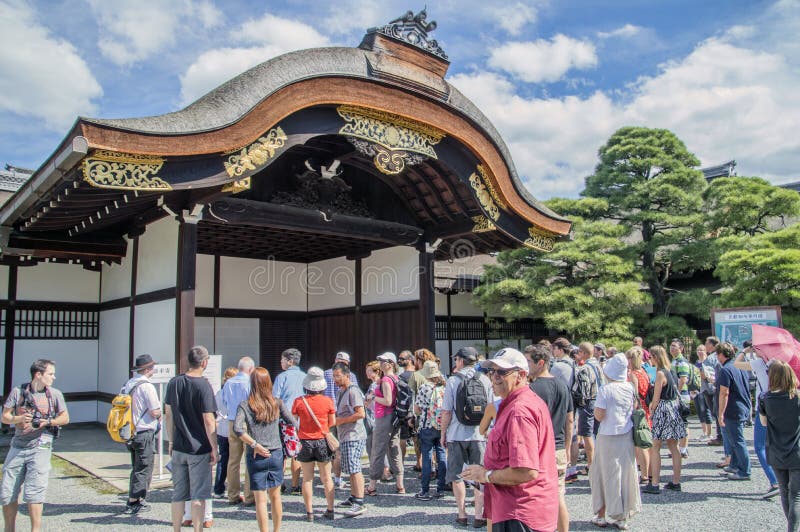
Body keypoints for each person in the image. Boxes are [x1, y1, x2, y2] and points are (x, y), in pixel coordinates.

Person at [461, 347, 558, 532]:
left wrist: (486, 475)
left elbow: (526, 471)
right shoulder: (517, 404)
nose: (494, 377)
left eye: (502, 372)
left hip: (519, 511)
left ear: (521, 375)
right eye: (492, 371)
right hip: (518, 509)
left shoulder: (519, 411)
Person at [1, 359, 69, 532]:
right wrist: (19, 419)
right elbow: (5, 417)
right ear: (38, 374)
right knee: (7, 490)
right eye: (51, 374)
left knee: (34, 492)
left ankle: (35, 530)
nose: (54, 377)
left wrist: (48, 422)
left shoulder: (54, 394)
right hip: (18, 444)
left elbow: (65, 418)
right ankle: (9, 529)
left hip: (41, 444)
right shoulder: (18, 392)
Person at [164, 346, 219, 532]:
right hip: (199, 447)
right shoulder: (203, 385)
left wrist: (171, 440)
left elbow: (168, 413)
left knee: (178, 494)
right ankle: (197, 529)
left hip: (179, 445)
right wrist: (214, 447)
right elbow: (209, 420)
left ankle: (176, 529)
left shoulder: (174, 382)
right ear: (204, 362)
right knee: (199, 495)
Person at [234, 367, 293, 532]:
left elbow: (238, 429)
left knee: (260, 500)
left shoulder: (245, 405)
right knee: (276, 497)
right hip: (276, 452)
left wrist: (255, 444)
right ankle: (277, 530)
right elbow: (292, 422)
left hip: (256, 454)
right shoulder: (277, 403)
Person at [440, 346, 492, 527]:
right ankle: (479, 516)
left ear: (461, 361)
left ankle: (462, 514)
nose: (455, 362)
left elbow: (446, 411)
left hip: (456, 434)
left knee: (457, 475)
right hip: (479, 434)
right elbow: (490, 409)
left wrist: (443, 433)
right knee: (480, 475)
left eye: (456, 359)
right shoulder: (485, 379)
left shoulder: (453, 381)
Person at [590, 353, 641, 530]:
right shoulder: (629, 387)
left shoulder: (605, 390)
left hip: (607, 435)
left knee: (603, 474)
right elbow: (634, 407)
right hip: (625, 434)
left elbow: (599, 415)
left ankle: (601, 514)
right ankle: (623, 516)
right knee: (625, 474)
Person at [525, 344, 574, 532]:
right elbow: (570, 419)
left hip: (539, 449)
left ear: (541, 363)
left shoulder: (532, 389)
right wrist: (567, 447)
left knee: (534, 495)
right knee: (558, 494)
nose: (526, 365)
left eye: (529, 361)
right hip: (559, 446)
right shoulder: (562, 385)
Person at [760, 360, 800, 531]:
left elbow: (763, 423)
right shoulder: (797, 397)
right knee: (796, 495)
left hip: (775, 449)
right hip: (796, 450)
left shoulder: (765, 398)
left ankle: (791, 526)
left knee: (784, 491)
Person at [292, 367, 336, 521]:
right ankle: (330, 509)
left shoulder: (299, 401)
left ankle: (309, 512)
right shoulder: (328, 401)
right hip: (322, 440)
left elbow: (293, 422)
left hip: (305, 441)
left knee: (307, 478)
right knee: (327, 478)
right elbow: (332, 422)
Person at [734, 347, 779, 498]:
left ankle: (774, 481)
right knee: (780, 445)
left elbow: (737, 364)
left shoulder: (760, 363)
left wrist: (744, 351)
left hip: (765, 406)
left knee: (760, 446)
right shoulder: (780, 362)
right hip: (781, 406)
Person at [122, 354, 162, 514]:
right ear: (147, 369)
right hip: (144, 430)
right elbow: (154, 411)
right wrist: (161, 414)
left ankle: (135, 497)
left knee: (136, 466)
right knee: (144, 466)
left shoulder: (128, 384)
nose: (153, 370)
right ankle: (135, 500)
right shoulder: (147, 386)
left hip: (130, 431)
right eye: (152, 367)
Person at [642, 345, 686, 494]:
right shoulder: (671, 370)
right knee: (674, 446)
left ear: (655, 357)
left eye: (651, 357)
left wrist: (651, 409)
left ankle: (654, 483)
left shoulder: (660, 373)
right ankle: (676, 481)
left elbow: (656, 397)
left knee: (655, 447)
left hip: (662, 409)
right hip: (673, 408)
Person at [332, 362, 368, 517]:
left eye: (338, 376)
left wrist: (339, 421)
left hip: (354, 434)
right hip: (345, 434)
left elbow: (361, 414)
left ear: (347, 375)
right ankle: (353, 496)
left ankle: (359, 501)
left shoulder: (353, 391)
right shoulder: (341, 391)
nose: (335, 379)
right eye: (334, 376)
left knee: (354, 468)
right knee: (349, 467)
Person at [366, 352, 405, 496]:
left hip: (384, 417)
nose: (381, 364)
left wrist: (373, 397)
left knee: (377, 449)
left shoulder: (386, 380)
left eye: (383, 361)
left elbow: (388, 401)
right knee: (394, 448)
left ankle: (372, 486)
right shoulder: (396, 378)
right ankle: (400, 485)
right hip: (394, 417)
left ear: (391, 364)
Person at [222, 356, 255, 506]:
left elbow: (224, 401)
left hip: (232, 421)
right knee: (249, 458)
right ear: (250, 369)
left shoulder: (229, 382)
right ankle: (249, 496)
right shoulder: (250, 382)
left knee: (233, 460)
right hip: (247, 422)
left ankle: (232, 495)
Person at [272, 348, 306, 495]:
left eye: (283, 360)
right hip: (301, 419)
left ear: (290, 361)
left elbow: (275, 399)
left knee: (281, 452)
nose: (281, 362)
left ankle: (279, 483)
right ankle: (295, 485)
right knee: (297, 452)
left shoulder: (281, 377)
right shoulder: (305, 377)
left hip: (284, 419)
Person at [717, 342, 752, 481]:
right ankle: (734, 465)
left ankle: (745, 471)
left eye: (717, 354)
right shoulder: (739, 366)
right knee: (733, 439)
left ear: (721, 354)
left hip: (733, 408)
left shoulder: (725, 370)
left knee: (737, 440)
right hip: (743, 405)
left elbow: (724, 393)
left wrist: (720, 413)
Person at [323, 352, 359, 489]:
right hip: (343, 415)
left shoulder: (326, 373)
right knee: (339, 448)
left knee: (331, 447)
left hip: (329, 414)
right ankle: (337, 478)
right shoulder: (351, 376)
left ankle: (332, 477)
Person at [413, 360, 447, 501]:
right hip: (441, 425)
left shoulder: (424, 387)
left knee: (426, 456)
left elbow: (417, 409)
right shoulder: (444, 386)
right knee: (441, 454)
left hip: (427, 425)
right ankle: (441, 488)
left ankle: (425, 490)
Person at [570, 342, 604, 475]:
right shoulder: (598, 364)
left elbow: (583, 390)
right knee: (597, 433)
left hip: (588, 402)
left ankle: (591, 465)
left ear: (583, 353)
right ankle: (598, 463)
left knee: (586, 434)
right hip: (600, 400)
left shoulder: (584, 368)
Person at [625, 347, 651, 485]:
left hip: (638, 410)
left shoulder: (633, 375)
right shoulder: (644, 372)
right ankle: (649, 472)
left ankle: (644, 474)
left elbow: (634, 396)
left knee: (641, 444)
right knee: (646, 442)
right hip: (646, 409)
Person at [213, 367, 238, 498]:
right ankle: (233, 490)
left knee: (223, 459)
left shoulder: (219, 393)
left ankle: (218, 488)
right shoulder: (236, 393)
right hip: (234, 428)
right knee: (234, 460)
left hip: (222, 428)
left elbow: (216, 411)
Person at [669, 339, 691, 458]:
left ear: (681, 348)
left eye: (675, 346)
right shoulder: (674, 361)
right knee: (677, 422)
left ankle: (683, 449)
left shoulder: (681, 362)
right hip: (677, 395)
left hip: (681, 396)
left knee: (683, 422)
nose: (672, 348)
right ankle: (678, 448)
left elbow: (683, 380)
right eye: (671, 346)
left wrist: (676, 394)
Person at [694, 345, 715, 442]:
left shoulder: (708, 362)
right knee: (700, 411)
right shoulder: (696, 363)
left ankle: (709, 433)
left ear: (706, 351)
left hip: (706, 388)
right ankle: (704, 432)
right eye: (698, 350)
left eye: (701, 350)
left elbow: (709, 375)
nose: (699, 352)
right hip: (696, 389)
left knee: (706, 410)